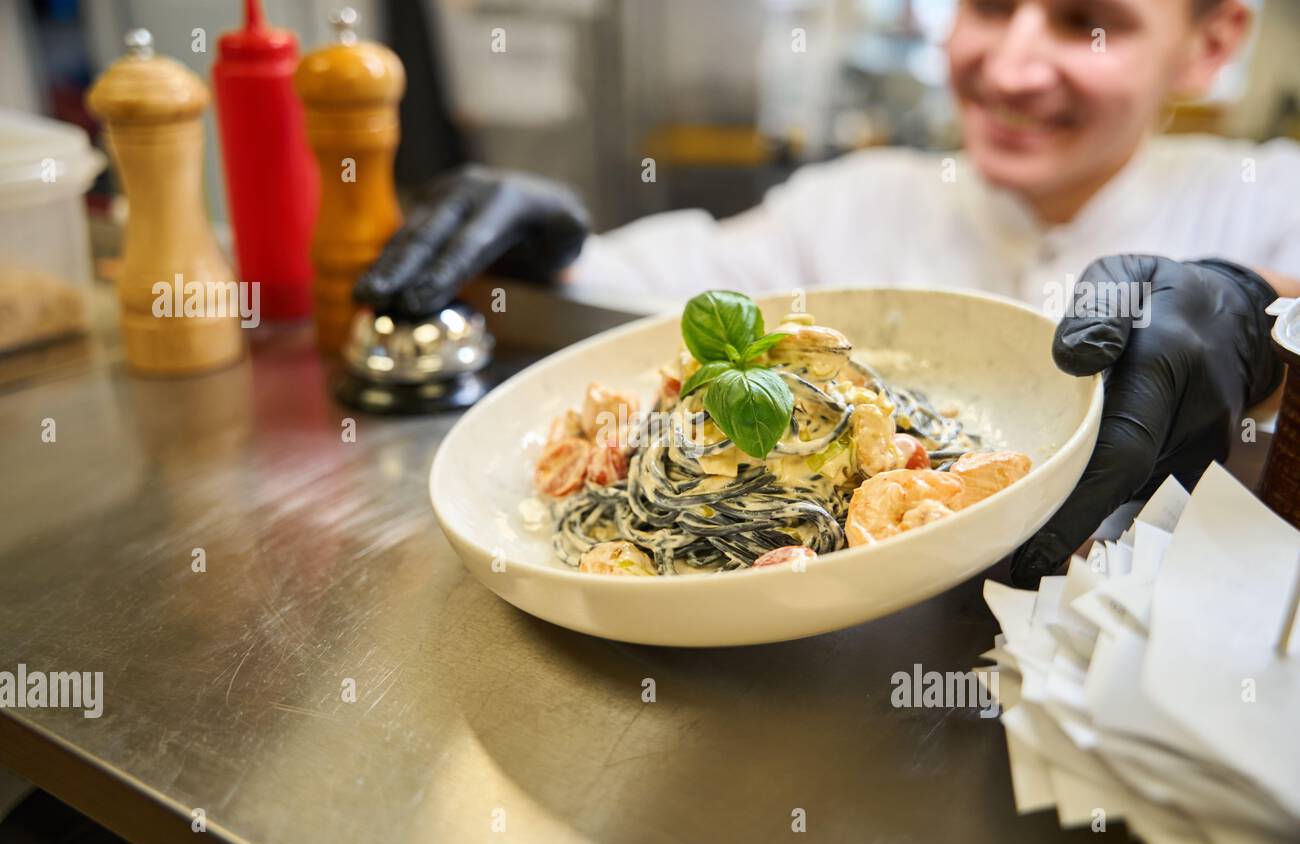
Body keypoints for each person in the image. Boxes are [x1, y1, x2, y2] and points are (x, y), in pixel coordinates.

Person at [355, 0, 1300, 584]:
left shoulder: (1267, 194)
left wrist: (1256, 313)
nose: (1010, 68)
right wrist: (549, 255)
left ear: (1211, 41)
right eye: (989, 4)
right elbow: (679, 295)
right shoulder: (860, 199)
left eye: (1085, 18)